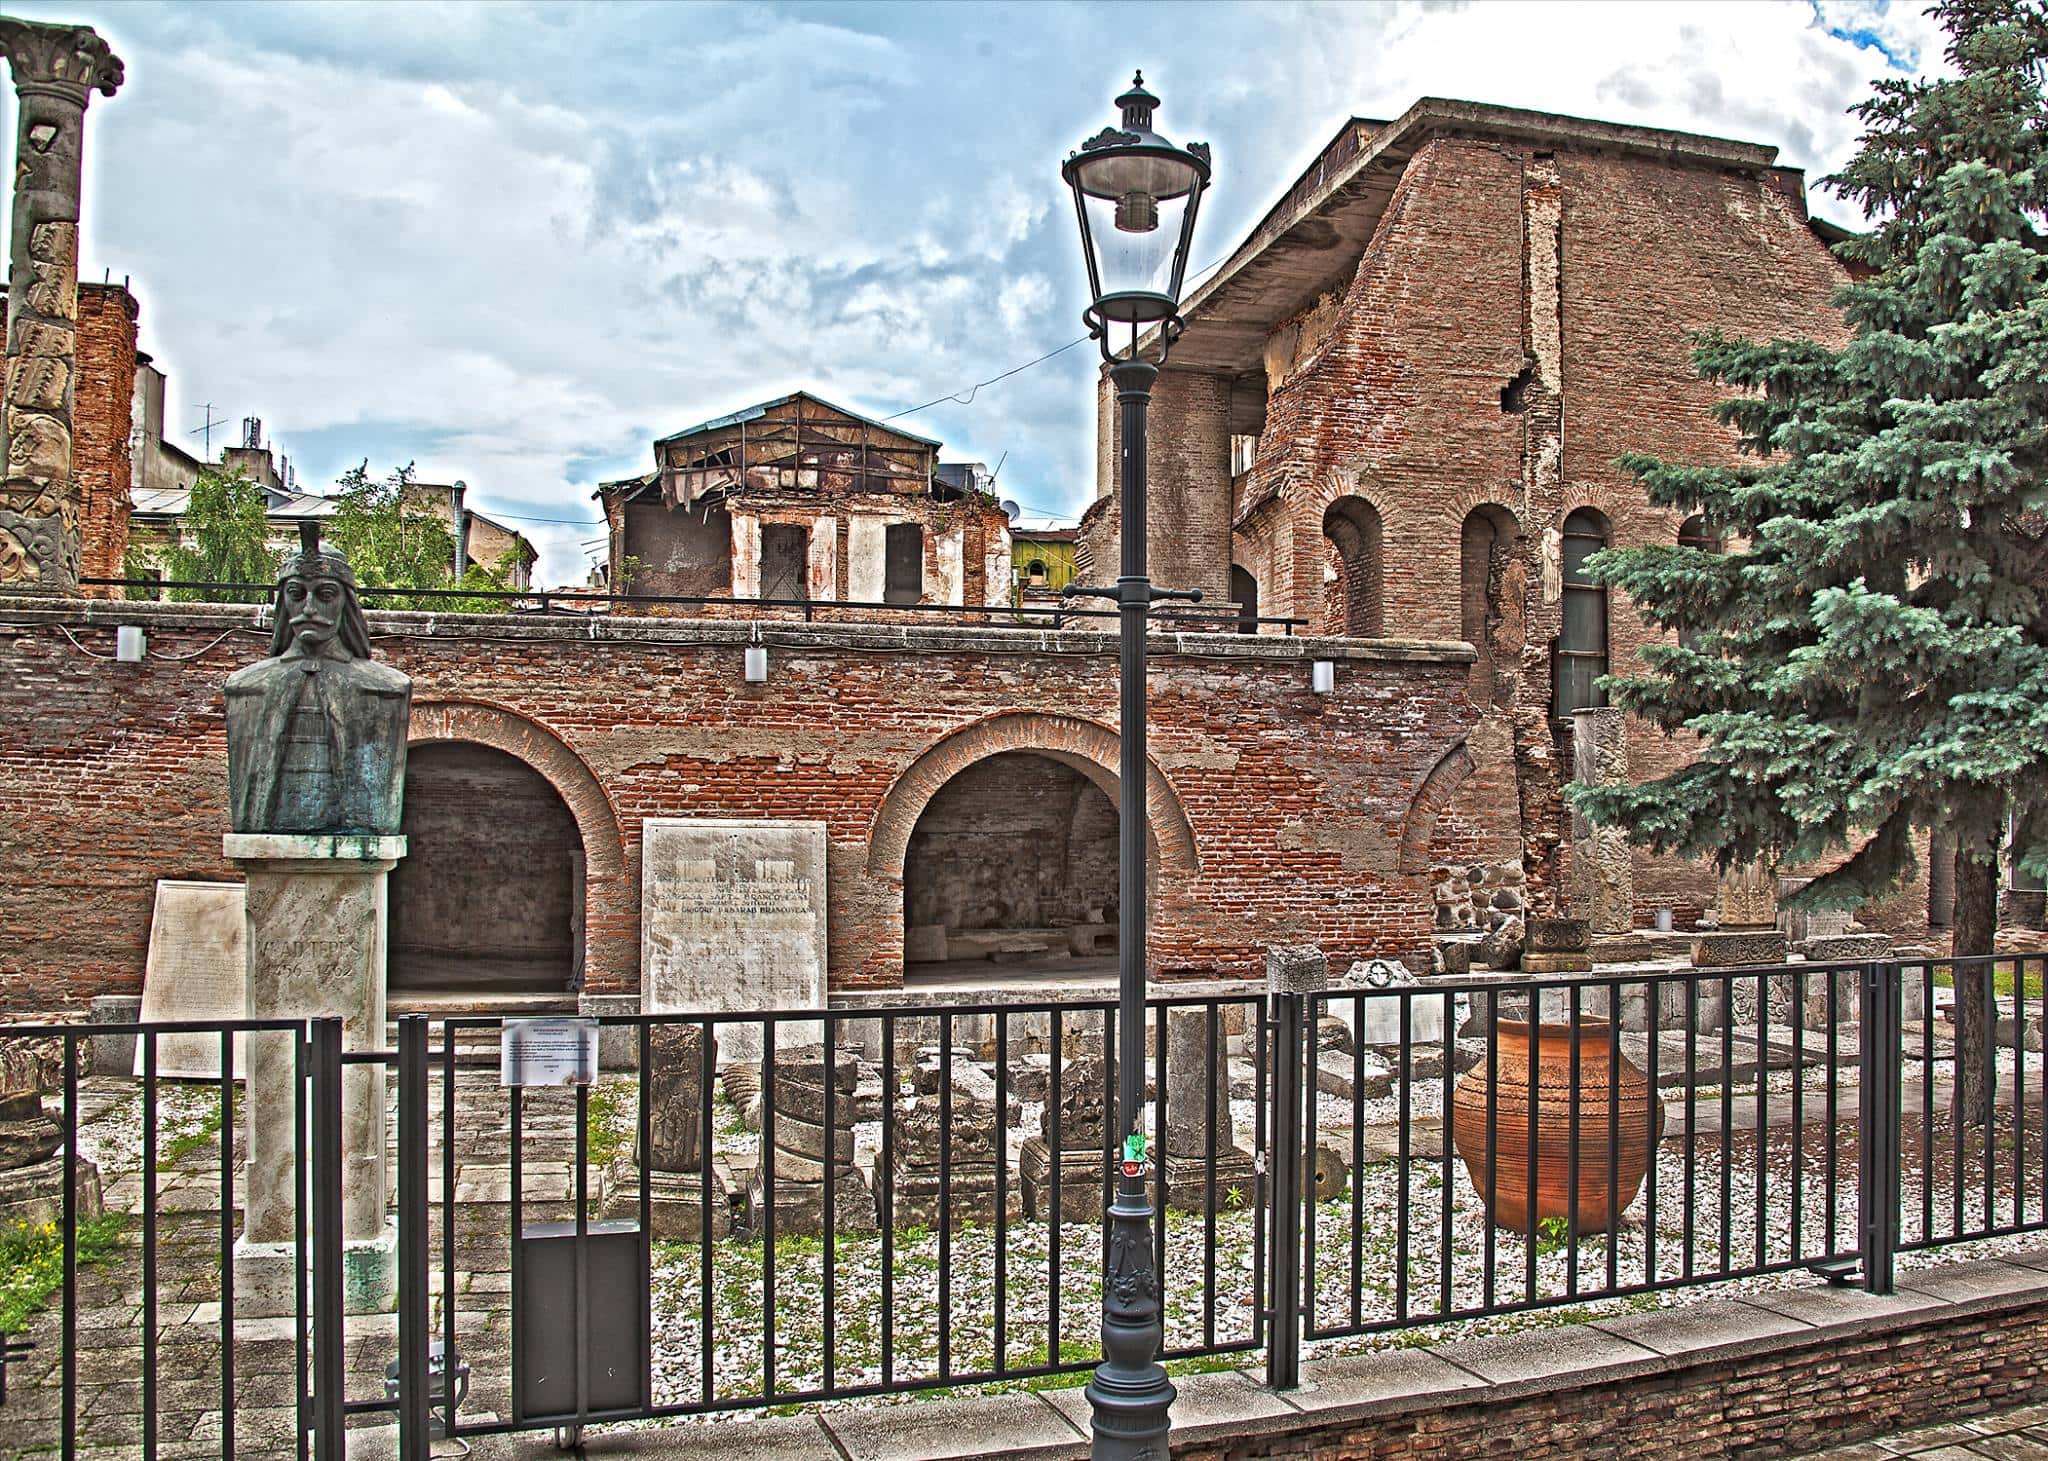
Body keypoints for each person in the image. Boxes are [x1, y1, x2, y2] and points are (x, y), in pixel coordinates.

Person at [224, 523, 410, 834]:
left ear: (344, 603)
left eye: (325, 594)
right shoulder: (246, 688)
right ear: (284, 602)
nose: (309, 608)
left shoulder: (386, 689)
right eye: (297, 594)